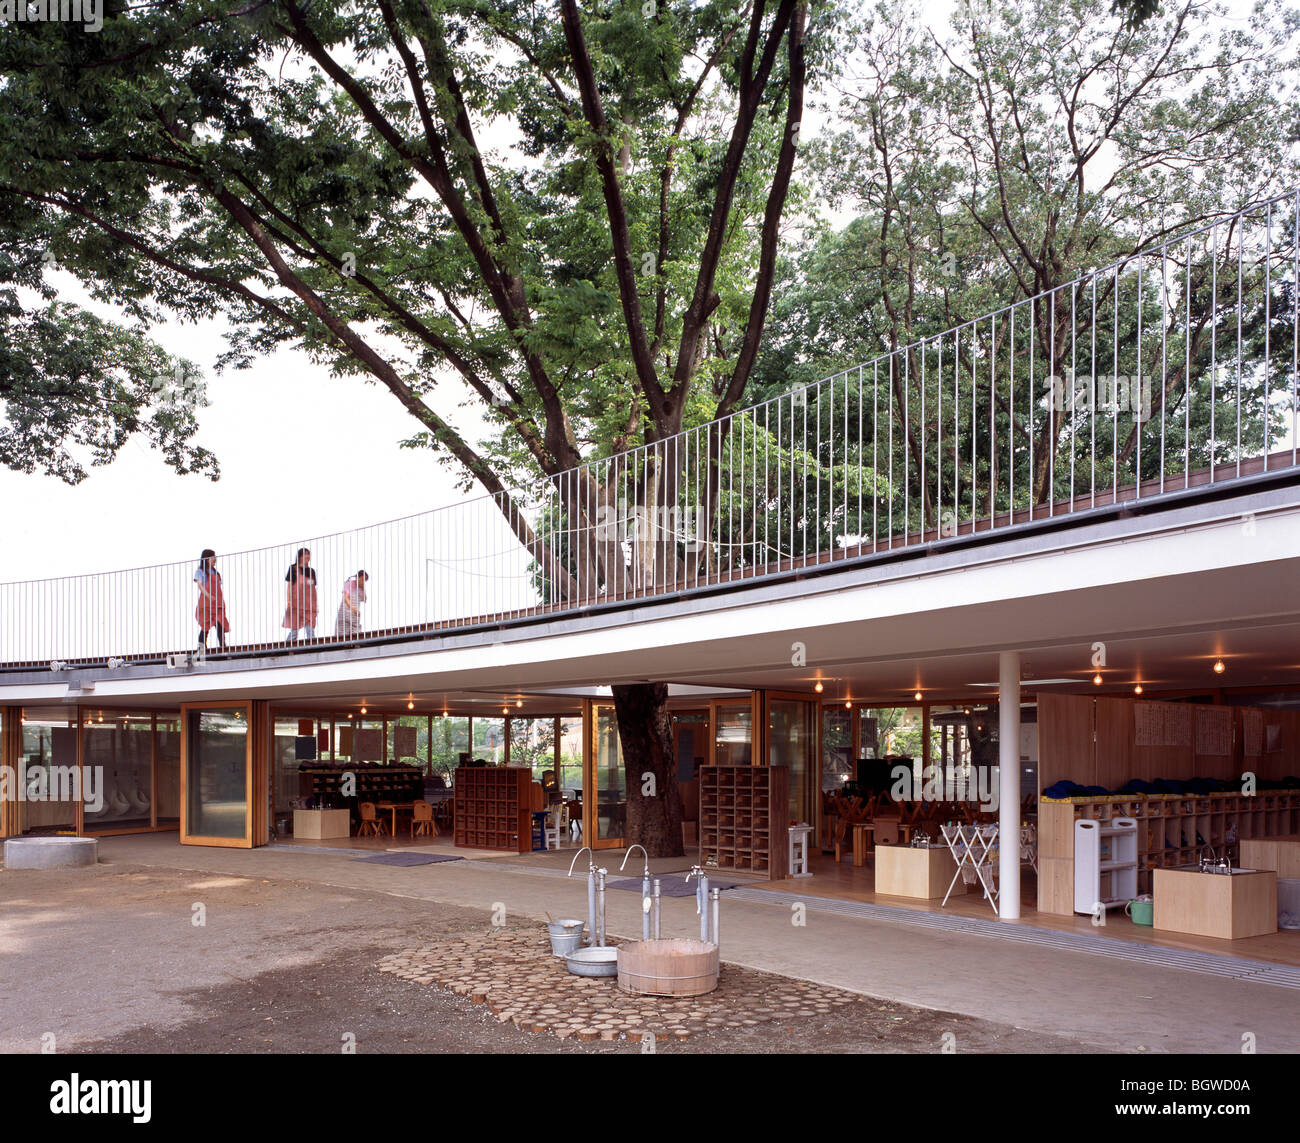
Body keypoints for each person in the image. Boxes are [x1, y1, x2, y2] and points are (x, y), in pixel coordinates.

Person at [194, 549, 229, 651]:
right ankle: (201, 648)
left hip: (216, 603)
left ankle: (223, 645)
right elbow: (200, 585)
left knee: (220, 623)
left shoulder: (215, 572)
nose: (215, 558)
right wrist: (209, 596)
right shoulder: (200, 571)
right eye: (212, 556)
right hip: (206, 603)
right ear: (206, 559)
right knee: (205, 625)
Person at [282, 548, 318, 642]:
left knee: (310, 628)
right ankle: (287, 646)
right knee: (294, 628)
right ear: (300, 556)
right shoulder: (293, 569)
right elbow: (289, 585)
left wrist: (315, 604)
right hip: (296, 603)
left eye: (308, 554)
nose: (307, 556)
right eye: (305, 554)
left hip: (309, 604)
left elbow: (313, 588)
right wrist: (289, 601)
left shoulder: (311, 571)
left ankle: (312, 645)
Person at [336, 569, 368, 638]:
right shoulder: (349, 584)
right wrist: (353, 608)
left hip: (354, 616)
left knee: (356, 636)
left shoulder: (361, 588)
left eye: (364, 580)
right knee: (343, 636)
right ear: (357, 577)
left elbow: (365, 599)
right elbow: (346, 598)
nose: (363, 582)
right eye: (362, 579)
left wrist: (363, 588)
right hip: (345, 614)